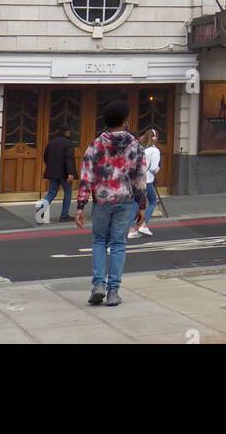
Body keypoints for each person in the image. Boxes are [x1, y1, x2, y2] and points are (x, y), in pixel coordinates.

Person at [75, 101, 147, 307]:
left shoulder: (96, 145)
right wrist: (142, 205)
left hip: (102, 200)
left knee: (99, 241)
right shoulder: (135, 145)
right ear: (126, 120)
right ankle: (113, 291)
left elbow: (86, 176)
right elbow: (140, 178)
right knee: (118, 244)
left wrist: (80, 206)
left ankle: (98, 285)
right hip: (125, 200)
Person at [36, 125, 76, 223]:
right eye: (69, 131)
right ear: (66, 132)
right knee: (68, 193)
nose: (70, 133)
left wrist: (51, 167)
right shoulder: (69, 143)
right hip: (64, 173)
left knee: (51, 193)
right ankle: (64, 215)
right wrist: (71, 173)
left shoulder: (51, 143)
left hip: (53, 172)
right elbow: (69, 159)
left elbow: (45, 156)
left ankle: (40, 210)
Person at [128, 128, 161, 239]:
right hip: (148, 180)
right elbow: (153, 168)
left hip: (136, 179)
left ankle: (131, 228)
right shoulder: (154, 151)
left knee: (136, 203)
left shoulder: (141, 148)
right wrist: (158, 169)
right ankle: (143, 223)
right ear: (155, 138)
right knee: (152, 201)